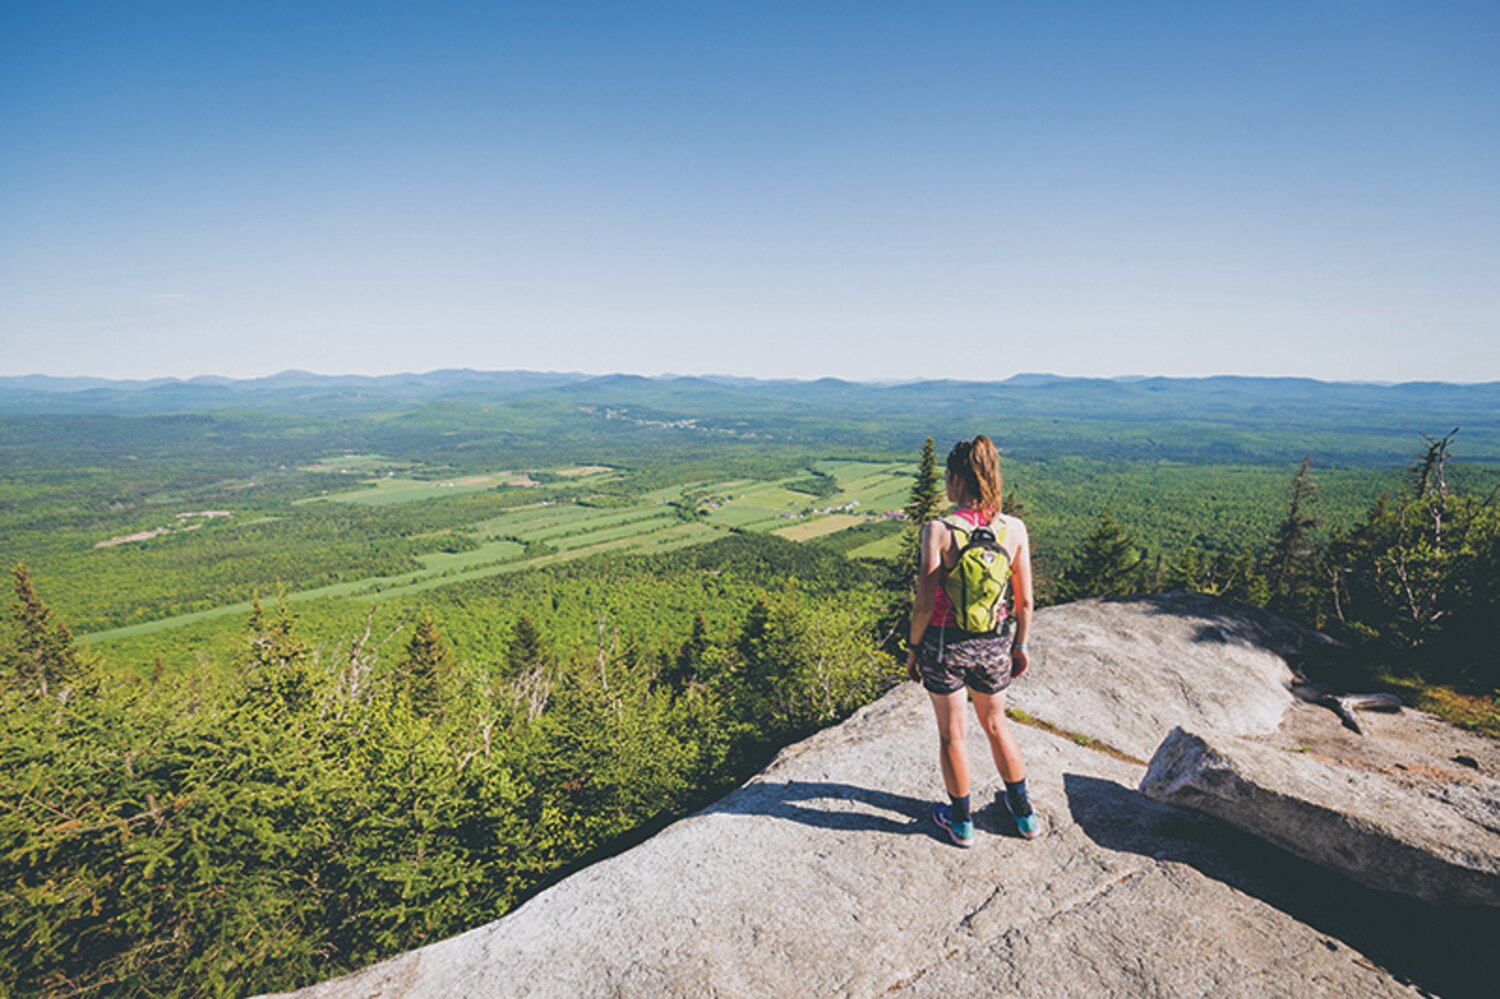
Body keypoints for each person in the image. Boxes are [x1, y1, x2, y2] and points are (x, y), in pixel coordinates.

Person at [905, 436, 1038, 846]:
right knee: (996, 724)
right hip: (994, 645)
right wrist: (1020, 646)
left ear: (958, 480)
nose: (946, 483)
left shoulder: (939, 531)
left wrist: (913, 649)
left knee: (953, 735)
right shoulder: (1013, 528)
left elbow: (925, 604)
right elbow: (1025, 601)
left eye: (948, 476)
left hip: (945, 647)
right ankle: (1024, 814)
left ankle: (961, 822)